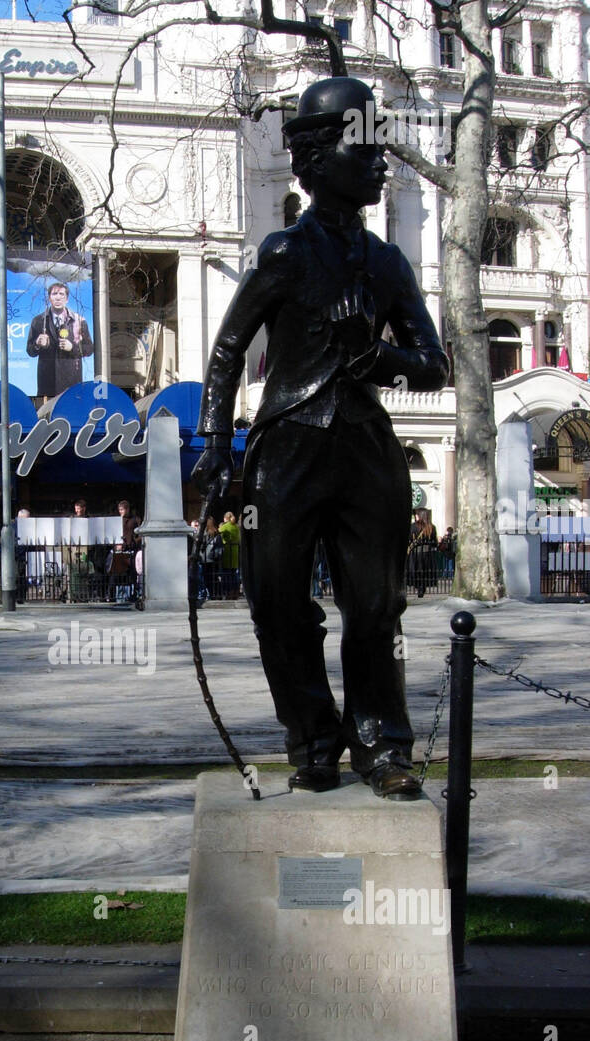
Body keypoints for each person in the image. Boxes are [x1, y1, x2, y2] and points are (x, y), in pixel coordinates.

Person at [191, 76, 449, 800]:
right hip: (288, 446)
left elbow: (431, 364)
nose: (377, 165)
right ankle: (311, 740)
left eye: (379, 151)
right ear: (311, 159)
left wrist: (377, 356)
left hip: (365, 447)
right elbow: (225, 353)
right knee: (277, 605)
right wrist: (215, 447)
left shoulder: (389, 264)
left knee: (374, 607)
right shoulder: (282, 254)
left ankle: (379, 744)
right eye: (359, 149)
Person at [26, 283, 93, 400]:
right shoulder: (38, 321)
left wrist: (72, 348)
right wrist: (37, 344)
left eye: (61, 294)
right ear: (49, 298)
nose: (58, 297)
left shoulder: (79, 321)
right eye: (54, 294)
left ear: (66, 299)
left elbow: (89, 349)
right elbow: (30, 351)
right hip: (47, 383)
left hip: (71, 381)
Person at [408, 508, 439, 598]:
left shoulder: (413, 526)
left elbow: (409, 539)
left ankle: (419, 587)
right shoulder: (431, 527)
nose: (415, 516)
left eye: (417, 515)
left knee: (416, 571)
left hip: (416, 554)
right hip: (427, 553)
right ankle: (422, 587)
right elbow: (435, 542)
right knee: (425, 571)